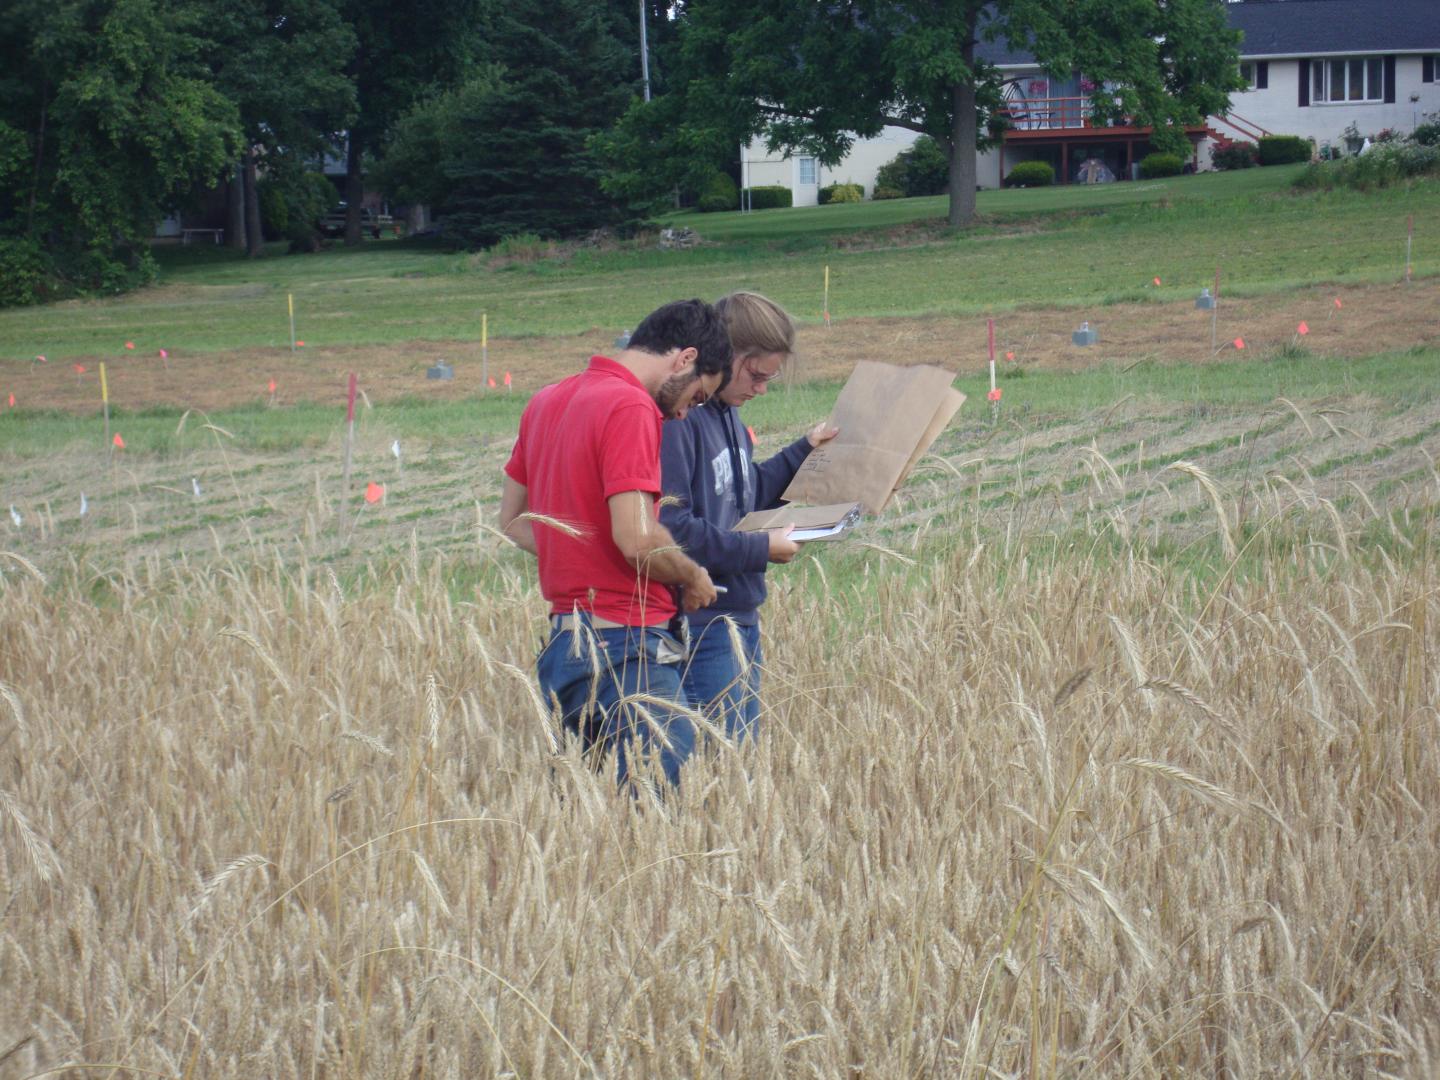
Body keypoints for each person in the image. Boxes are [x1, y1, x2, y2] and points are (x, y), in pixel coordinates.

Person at [499, 299, 733, 788]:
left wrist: (579, 555)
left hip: (565, 645)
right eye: (699, 395)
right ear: (684, 357)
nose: (689, 412)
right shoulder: (629, 405)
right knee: (660, 811)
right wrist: (693, 575)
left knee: (594, 824)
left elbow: (514, 522)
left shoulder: (547, 400)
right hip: (625, 650)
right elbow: (636, 540)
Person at [659, 292, 838, 743]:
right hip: (704, 622)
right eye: (755, 375)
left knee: (738, 760)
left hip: (740, 614)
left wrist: (803, 452)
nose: (760, 389)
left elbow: (744, 495)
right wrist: (760, 548)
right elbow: (673, 529)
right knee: (726, 762)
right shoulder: (681, 420)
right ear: (725, 354)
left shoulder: (732, 419)